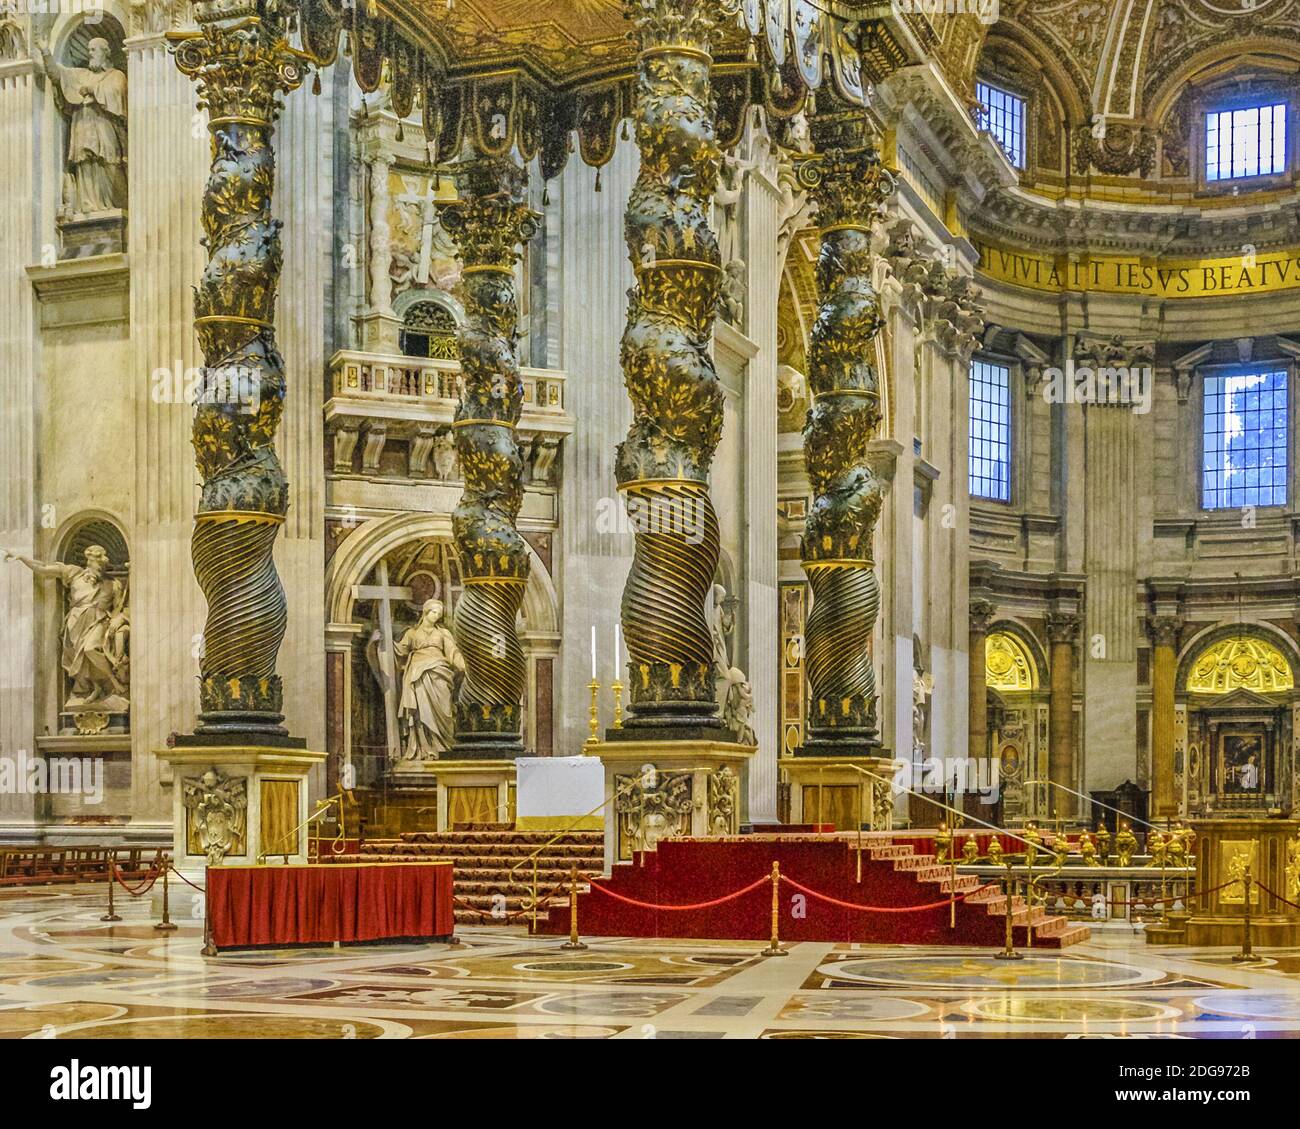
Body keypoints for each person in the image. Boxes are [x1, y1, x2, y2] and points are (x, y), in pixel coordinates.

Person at [3, 545, 128, 709]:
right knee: (77, 658)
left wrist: (120, 618)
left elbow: (121, 607)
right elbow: (44, 568)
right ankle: (95, 686)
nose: (94, 568)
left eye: (98, 565)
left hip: (99, 620)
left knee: (90, 648)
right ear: (87, 562)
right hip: (75, 622)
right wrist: (22, 557)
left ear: (104, 566)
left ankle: (112, 681)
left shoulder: (112, 584)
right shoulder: (74, 573)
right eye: (91, 563)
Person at [42, 39, 128, 215]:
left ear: (106, 52)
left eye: (94, 49)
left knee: (109, 162)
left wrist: (93, 89)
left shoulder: (116, 75)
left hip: (105, 129)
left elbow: (117, 94)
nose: (90, 53)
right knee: (84, 163)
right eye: (88, 49)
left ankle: (116, 203)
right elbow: (57, 74)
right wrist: (45, 53)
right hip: (82, 127)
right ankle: (87, 206)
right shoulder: (81, 75)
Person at [393, 598, 465, 760]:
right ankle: (423, 749)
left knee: (444, 711)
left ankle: (443, 747)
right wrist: (381, 644)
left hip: (439, 673)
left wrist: (467, 666)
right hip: (418, 674)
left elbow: (453, 654)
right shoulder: (412, 633)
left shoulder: (442, 633)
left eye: (439, 614)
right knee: (420, 713)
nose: (436, 616)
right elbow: (399, 653)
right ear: (425, 612)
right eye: (434, 612)